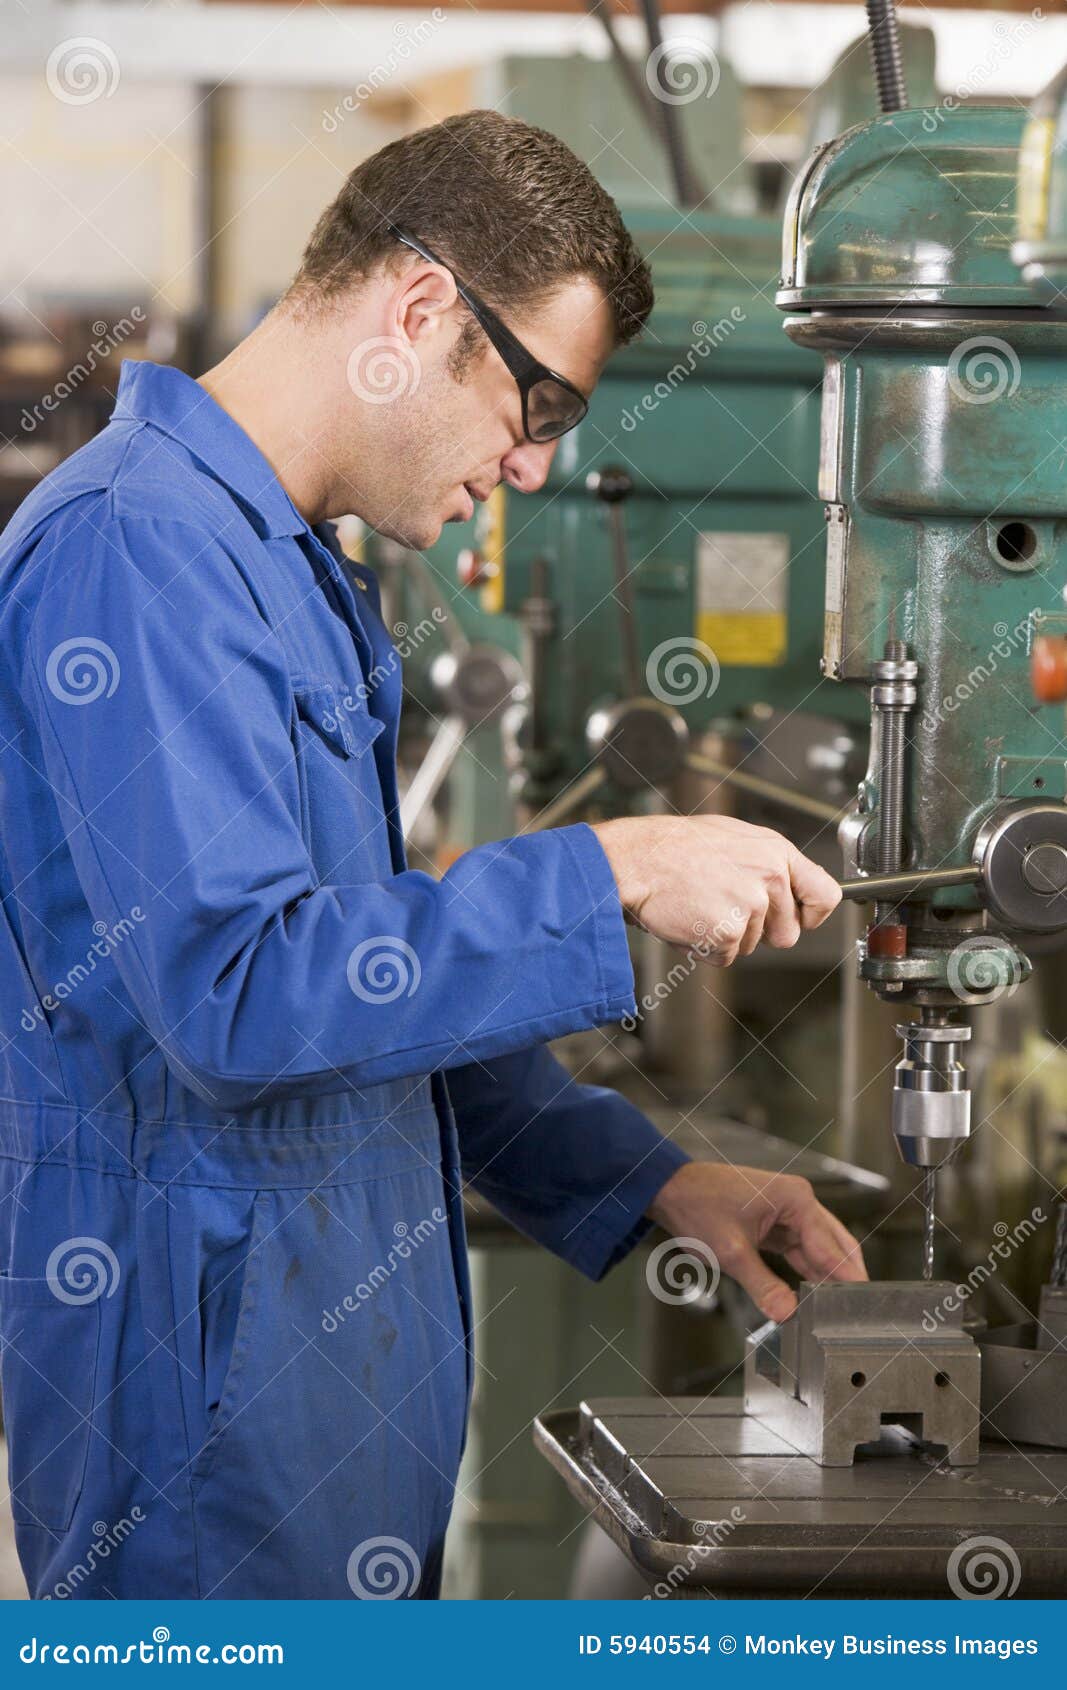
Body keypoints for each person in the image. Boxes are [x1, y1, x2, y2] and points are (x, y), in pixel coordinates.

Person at [0, 109, 864, 1600]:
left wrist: (658, 1180)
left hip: (315, 1407)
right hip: (201, 1434)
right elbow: (239, 988)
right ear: (419, 309)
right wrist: (604, 869)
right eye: (537, 402)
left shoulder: (289, 571)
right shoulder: (134, 551)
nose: (529, 467)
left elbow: (381, 999)